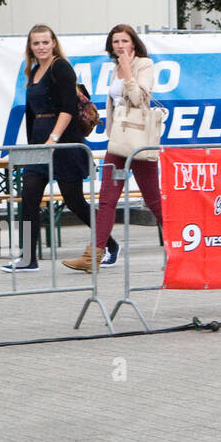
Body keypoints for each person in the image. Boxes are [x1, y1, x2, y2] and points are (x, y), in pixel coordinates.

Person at [64, 23, 162, 273]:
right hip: (118, 140)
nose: (119, 46)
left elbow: (139, 99)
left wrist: (128, 70)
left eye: (124, 41)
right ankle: (93, 255)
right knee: (107, 200)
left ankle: (183, 247)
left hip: (139, 142)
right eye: (115, 41)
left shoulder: (144, 65)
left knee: (153, 200)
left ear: (133, 43)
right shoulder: (114, 68)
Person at [3, 24, 95, 273]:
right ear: (30, 47)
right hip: (39, 142)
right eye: (36, 43)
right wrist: (35, 144)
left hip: (63, 142)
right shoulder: (33, 71)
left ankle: (109, 243)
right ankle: (27, 258)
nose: (41, 47)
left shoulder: (61, 67)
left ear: (53, 43)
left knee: (74, 200)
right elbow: (32, 113)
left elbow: (68, 108)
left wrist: (53, 139)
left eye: (45, 42)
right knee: (29, 197)